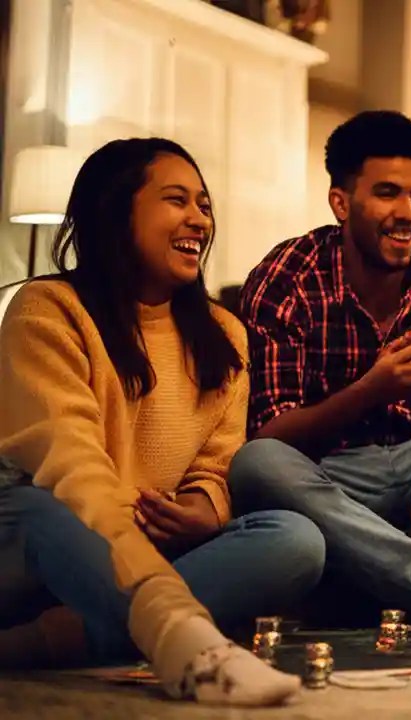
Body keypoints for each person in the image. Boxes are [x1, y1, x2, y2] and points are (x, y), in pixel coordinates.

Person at [0, 138, 323, 705]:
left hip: (153, 548)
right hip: (58, 542)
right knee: (35, 511)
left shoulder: (224, 334)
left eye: (204, 204)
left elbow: (218, 461)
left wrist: (203, 507)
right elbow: (69, 468)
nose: (199, 219)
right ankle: (182, 639)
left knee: (294, 538)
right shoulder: (47, 308)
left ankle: (58, 638)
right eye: (177, 200)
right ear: (116, 210)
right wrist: (128, 526)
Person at [226, 111, 411, 625]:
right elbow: (271, 433)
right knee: (257, 463)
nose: (408, 213)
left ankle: (384, 553)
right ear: (341, 203)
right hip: (329, 474)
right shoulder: (288, 278)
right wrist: (370, 390)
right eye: (387, 194)